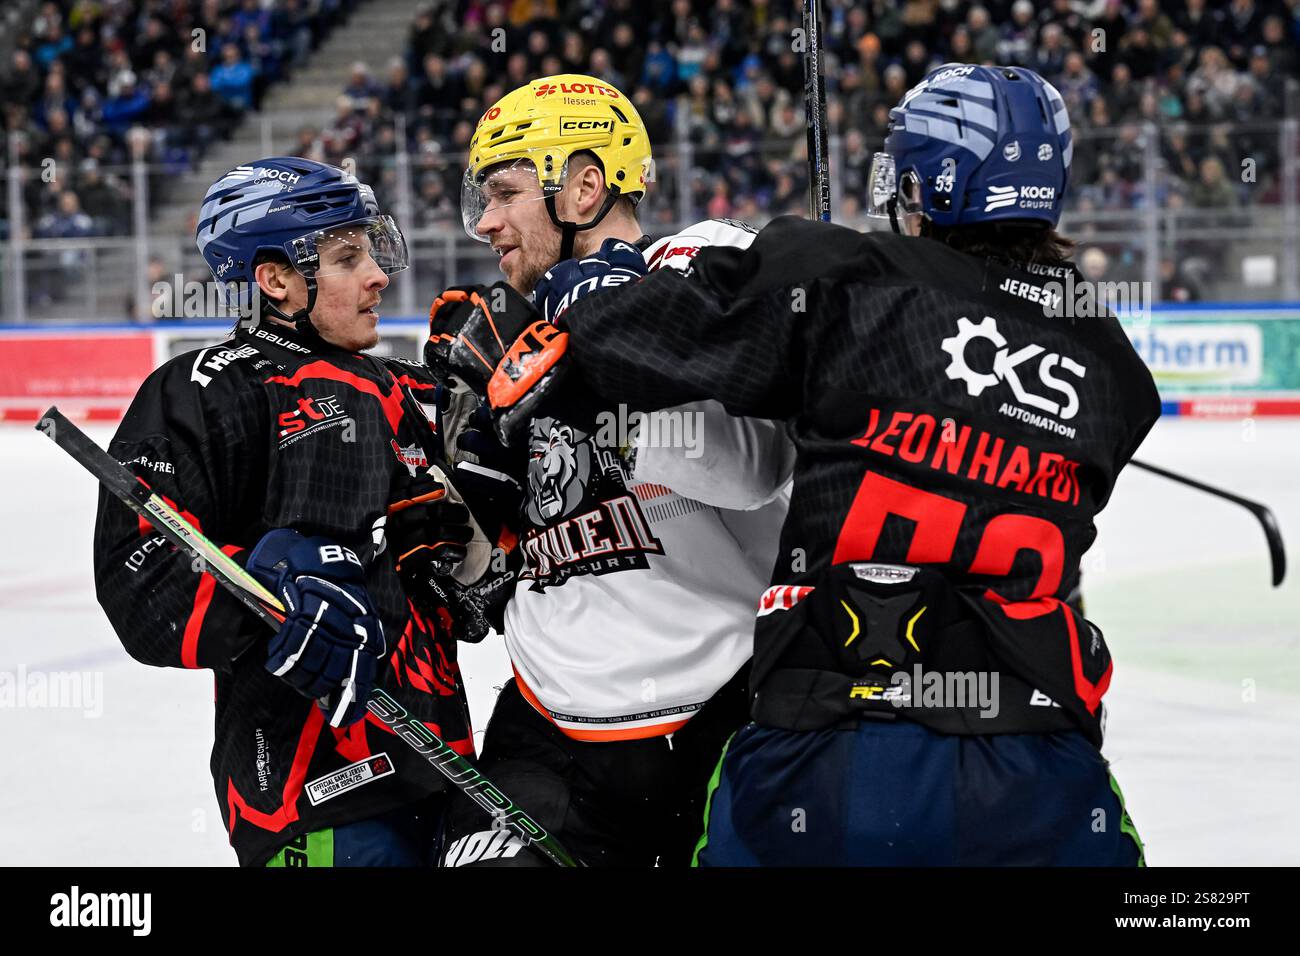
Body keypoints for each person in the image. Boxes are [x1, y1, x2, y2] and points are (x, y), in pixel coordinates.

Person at [454, 64, 1161, 866]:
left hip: (823, 735)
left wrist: (593, 305)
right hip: (1034, 742)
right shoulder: (1113, 369)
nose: (485, 222)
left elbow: (684, 357)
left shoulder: (845, 279)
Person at [425, 74, 794, 867]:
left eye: (504, 193)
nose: (486, 221)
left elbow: (752, 468)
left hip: (719, 716)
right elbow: (503, 542)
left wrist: (604, 370)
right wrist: (464, 516)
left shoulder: (703, 262)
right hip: (547, 726)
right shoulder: (510, 328)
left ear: (584, 186)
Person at [93, 157, 485, 867]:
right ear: (274, 280)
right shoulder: (205, 391)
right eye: (347, 257)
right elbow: (139, 580)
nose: (377, 275)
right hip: (314, 795)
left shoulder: (407, 392)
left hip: (449, 772)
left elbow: (479, 560)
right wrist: (264, 588)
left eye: (371, 249)